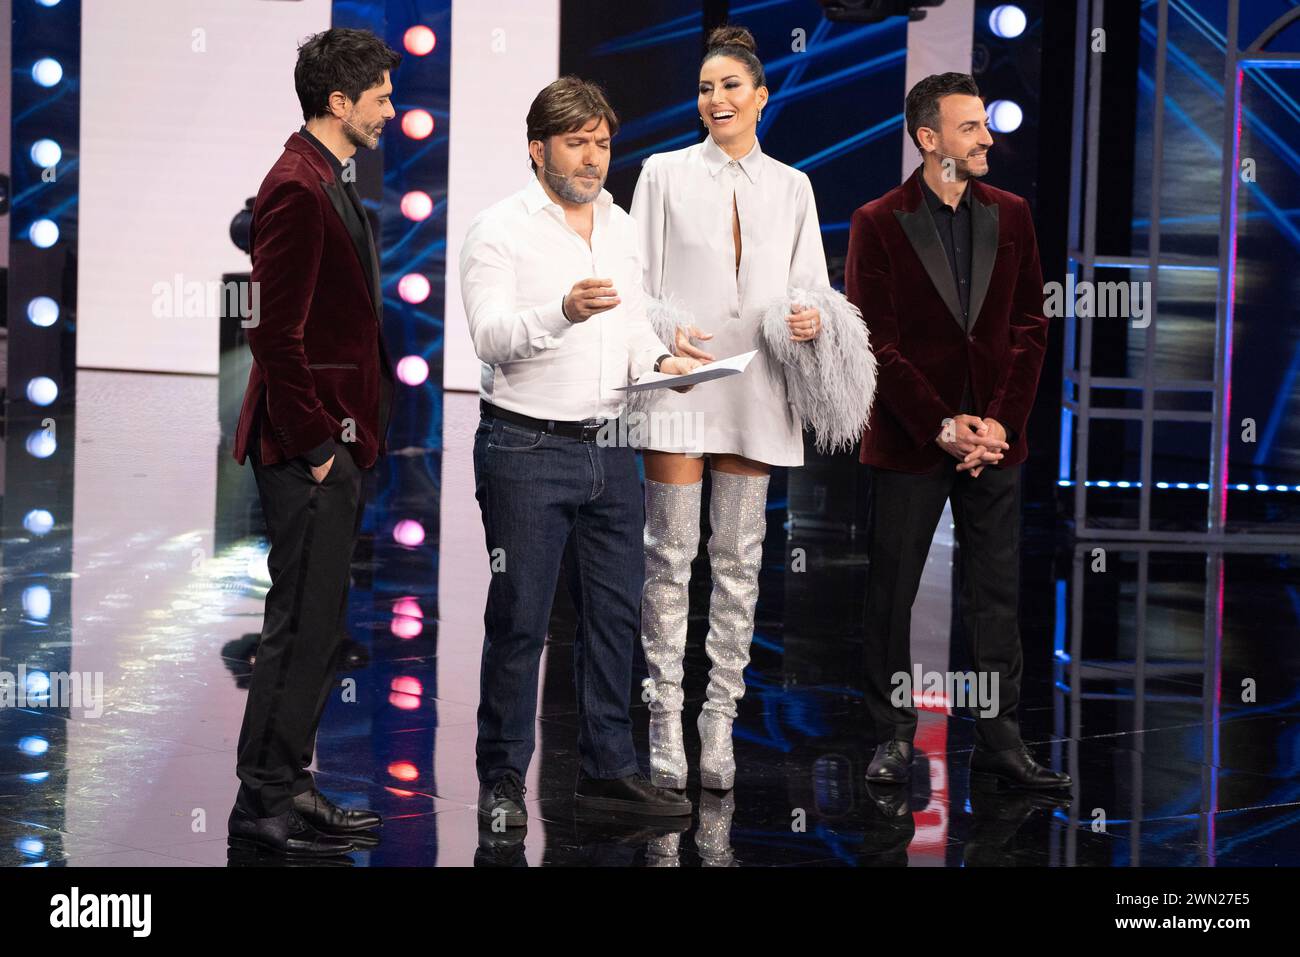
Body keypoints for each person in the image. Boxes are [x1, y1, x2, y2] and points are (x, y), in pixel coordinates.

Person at [629, 25, 875, 791]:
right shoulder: (662, 174)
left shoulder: (794, 186)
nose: (715, 99)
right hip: (683, 379)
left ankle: (719, 720)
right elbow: (635, 282)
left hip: (760, 385)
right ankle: (664, 713)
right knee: (669, 558)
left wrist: (810, 318)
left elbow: (811, 288)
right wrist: (667, 332)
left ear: (761, 96)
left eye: (730, 85)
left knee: (738, 563)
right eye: (705, 87)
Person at [461, 76, 703, 828]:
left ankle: (610, 768)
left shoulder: (621, 225)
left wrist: (661, 362)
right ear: (538, 149)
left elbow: (629, 331)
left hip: (613, 445)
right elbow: (490, 337)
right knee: (522, 620)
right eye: (577, 142)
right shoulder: (498, 229)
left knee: (612, 618)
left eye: (602, 142)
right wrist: (559, 311)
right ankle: (502, 779)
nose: (594, 156)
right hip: (525, 445)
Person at [846, 72, 1069, 791]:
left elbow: (1031, 327)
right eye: (971, 127)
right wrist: (942, 423)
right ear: (929, 139)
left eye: (984, 125)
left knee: (996, 593)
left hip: (995, 442)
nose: (987, 138)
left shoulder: (1012, 214)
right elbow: (875, 343)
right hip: (914, 439)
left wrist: (998, 421)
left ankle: (1002, 740)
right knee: (892, 592)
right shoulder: (878, 220)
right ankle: (891, 733)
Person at [228, 28, 399, 857]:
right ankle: (262, 799)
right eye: (381, 97)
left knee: (315, 625)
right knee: (298, 626)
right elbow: (268, 330)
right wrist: (317, 446)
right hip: (308, 450)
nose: (391, 110)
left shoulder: (321, 175)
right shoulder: (295, 186)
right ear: (340, 101)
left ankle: (289, 781)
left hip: (333, 441)